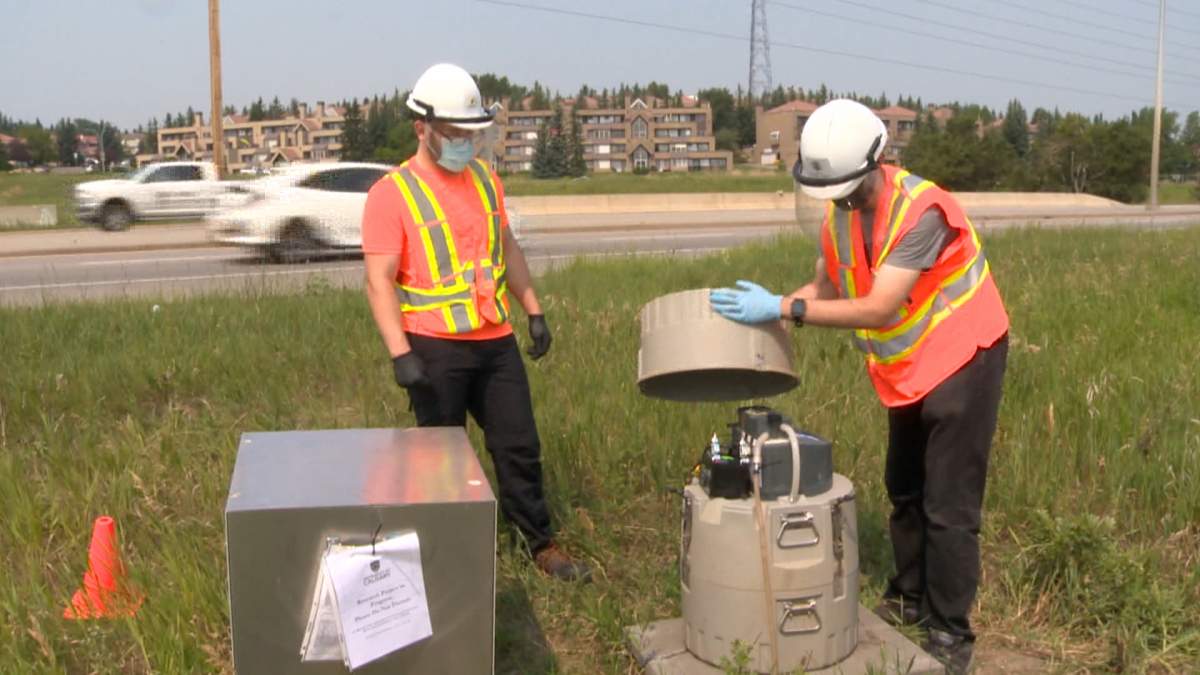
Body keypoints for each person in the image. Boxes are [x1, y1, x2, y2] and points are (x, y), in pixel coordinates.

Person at [709, 99, 1009, 673]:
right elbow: (824, 287)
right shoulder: (840, 212)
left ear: (876, 162)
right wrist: (769, 309)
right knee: (904, 486)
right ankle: (906, 598)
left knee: (948, 504)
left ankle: (949, 633)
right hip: (910, 369)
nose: (840, 201)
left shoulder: (922, 212)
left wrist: (786, 308)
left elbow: (878, 306)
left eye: (846, 189)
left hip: (965, 358)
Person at [362, 63, 588, 581]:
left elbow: (506, 248)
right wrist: (400, 354)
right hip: (433, 350)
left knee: (519, 446)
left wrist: (534, 310)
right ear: (422, 127)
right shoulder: (390, 194)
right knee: (440, 461)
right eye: (455, 134)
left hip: (495, 342)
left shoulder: (486, 180)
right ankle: (451, 556)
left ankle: (540, 544)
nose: (467, 143)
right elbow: (379, 281)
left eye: (473, 133)